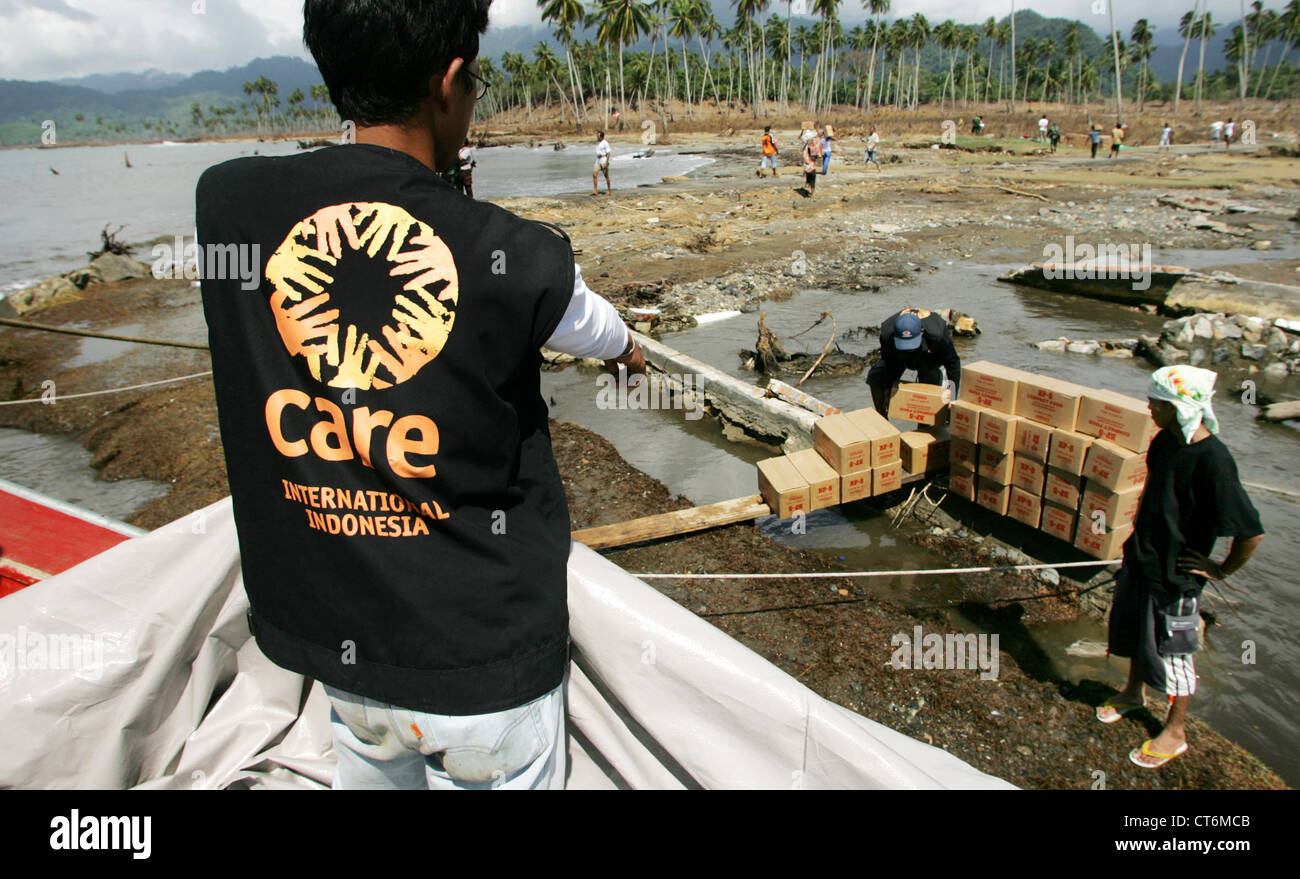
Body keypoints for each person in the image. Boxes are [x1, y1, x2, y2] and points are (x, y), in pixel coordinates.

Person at [196, 0, 648, 790]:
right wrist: (630, 349)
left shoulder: (229, 204)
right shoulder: (510, 250)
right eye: (473, 82)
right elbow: (592, 323)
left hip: (348, 655)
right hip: (481, 665)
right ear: (449, 83)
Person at [1099, 365, 1264, 770]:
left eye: (1158, 402)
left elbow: (1250, 532)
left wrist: (1220, 569)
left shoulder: (1214, 461)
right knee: (1134, 628)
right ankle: (1133, 690)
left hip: (1176, 577)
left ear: (1180, 407)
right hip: (1142, 559)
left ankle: (1175, 732)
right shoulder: (1163, 441)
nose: (1149, 406)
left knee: (1175, 653)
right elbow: (1155, 496)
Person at [865, 308, 961, 416]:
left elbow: (953, 364)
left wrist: (952, 398)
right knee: (876, 376)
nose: (908, 349)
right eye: (905, 345)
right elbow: (889, 362)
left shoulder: (937, 336)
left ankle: (925, 426)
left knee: (929, 385)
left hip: (927, 357)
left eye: (911, 345)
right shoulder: (887, 334)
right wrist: (889, 388)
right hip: (898, 356)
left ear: (922, 331)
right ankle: (883, 421)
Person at [592, 130, 612, 195]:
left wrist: (607, 162)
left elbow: (608, 153)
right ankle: (595, 190)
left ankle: (609, 190)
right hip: (598, 160)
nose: (597, 137)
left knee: (606, 176)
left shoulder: (605, 143)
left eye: (598, 136)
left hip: (603, 160)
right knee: (594, 174)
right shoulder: (597, 142)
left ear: (601, 136)